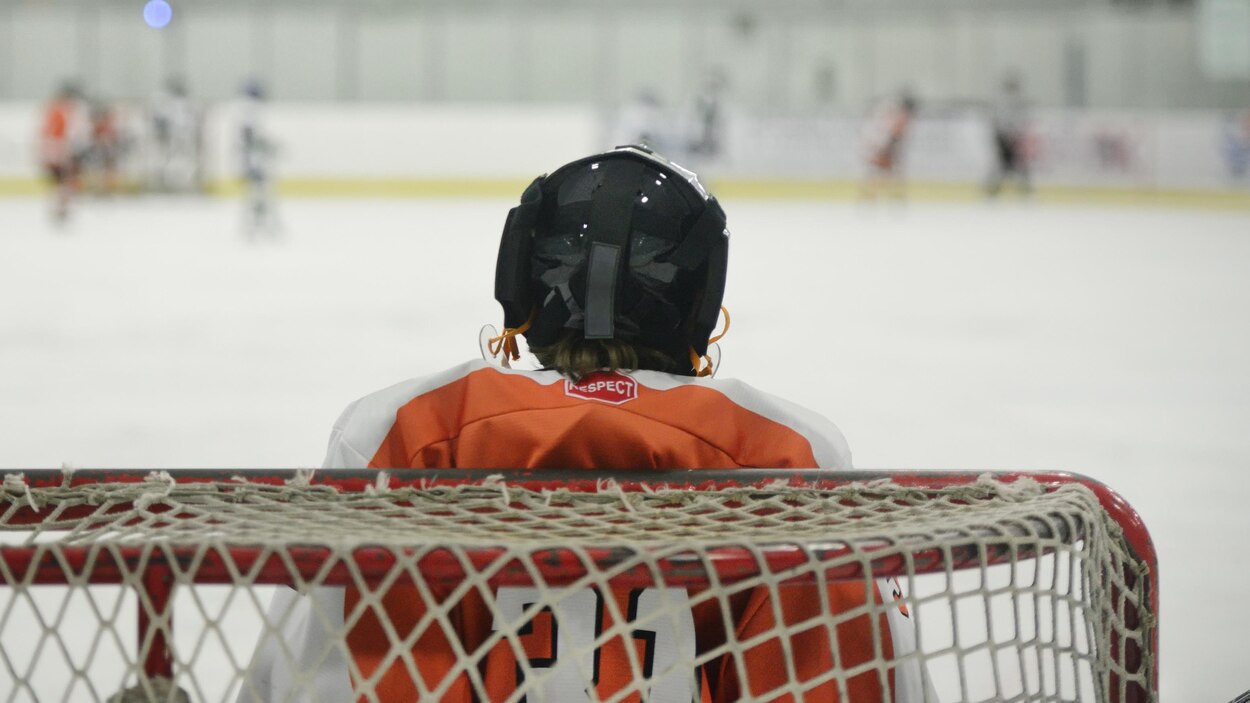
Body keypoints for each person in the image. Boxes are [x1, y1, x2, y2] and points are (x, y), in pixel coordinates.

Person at [238, 145, 932, 702]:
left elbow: (302, 679)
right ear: (699, 302)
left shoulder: (409, 429)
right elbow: (859, 676)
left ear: (523, 287)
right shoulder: (787, 452)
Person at [39, 81, 89, 222]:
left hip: (56, 150)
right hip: (59, 151)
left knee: (62, 181)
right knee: (63, 181)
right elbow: (64, 133)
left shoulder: (56, 108)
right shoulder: (63, 110)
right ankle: (61, 208)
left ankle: (61, 207)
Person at [860, 91, 918, 202]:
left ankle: (878, 195)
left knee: (886, 173)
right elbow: (892, 134)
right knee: (884, 172)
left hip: (886, 148)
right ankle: (877, 195)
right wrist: (884, 150)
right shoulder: (898, 118)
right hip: (885, 148)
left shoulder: (898, 118)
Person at [985, 74, 1032, 198]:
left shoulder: (1013, 101)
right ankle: (994, 189)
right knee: (1005, 165)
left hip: (1009, 137)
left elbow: (1017, 121)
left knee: (1013, 165)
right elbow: (998, 121)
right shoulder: (1004, 101)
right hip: (1005, 137)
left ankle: (1023, 189)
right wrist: (1005, 137)